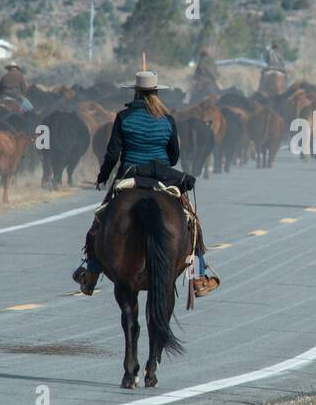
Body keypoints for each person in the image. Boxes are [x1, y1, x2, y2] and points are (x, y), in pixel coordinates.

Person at [72, 71, 218, 298]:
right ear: (157, 92)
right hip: (162, 175)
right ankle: (199, 277)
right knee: (192, 221)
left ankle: (90, 273)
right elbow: (174, 155)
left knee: (99, 221)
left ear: (136, 92)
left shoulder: (123, 117)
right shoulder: (167, 119)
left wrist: (103, 176)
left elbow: (112, 153)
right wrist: (160, 164)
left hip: (129, 174)